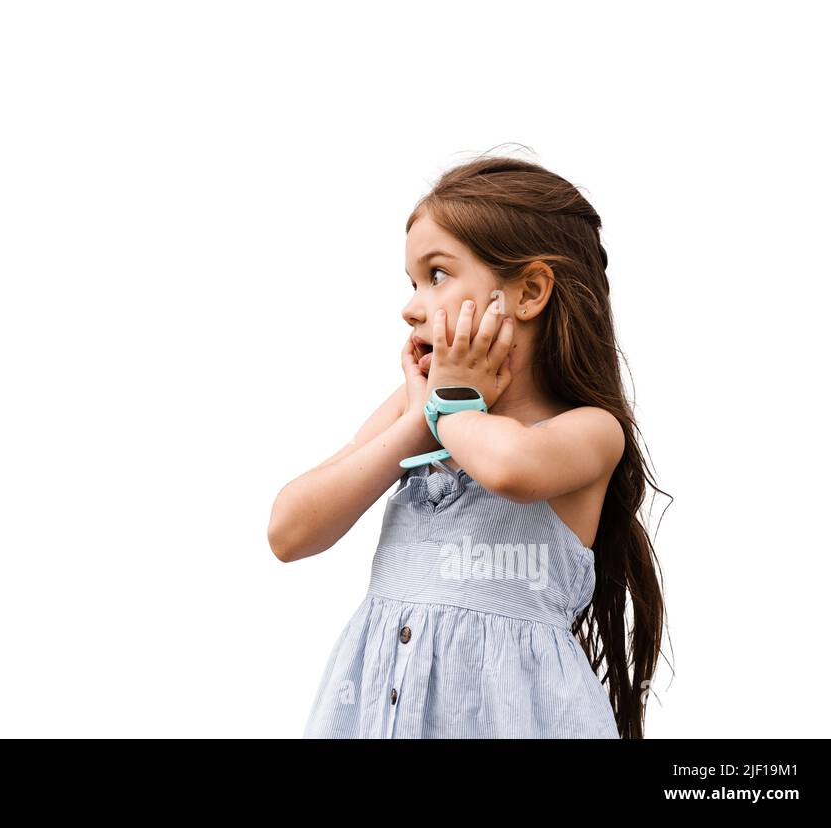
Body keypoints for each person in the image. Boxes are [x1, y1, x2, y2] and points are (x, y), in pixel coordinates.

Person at [268, 153, 668, 738]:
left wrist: (449, 404)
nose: (411, 307)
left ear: (528, 292)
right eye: (411, 283)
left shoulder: (589, 430)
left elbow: (508, 467)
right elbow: (289, 530)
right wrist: (417, 421)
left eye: (436, 275)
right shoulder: (419, 412)